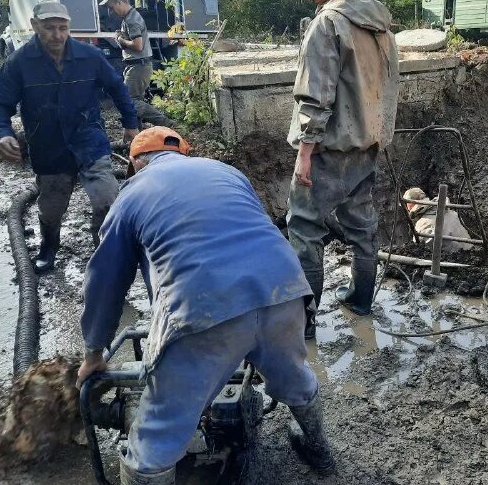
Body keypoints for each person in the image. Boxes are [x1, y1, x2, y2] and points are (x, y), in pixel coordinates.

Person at [76, 127, 335, 485]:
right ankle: (320, 452)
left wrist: (93, 352)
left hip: (204, 308)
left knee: (155, 438)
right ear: (184, 153)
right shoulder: (226, 172)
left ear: (136, 163)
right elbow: (244, 231)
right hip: (285, 289)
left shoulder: (132, 193)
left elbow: (105, 281)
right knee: (296, 379)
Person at [286, 0, 399, 338]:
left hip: (328, 150)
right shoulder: (380, 25)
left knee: (304, 229)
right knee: (363, 228)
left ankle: (304, 324)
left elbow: (316, 96)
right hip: (366, 146)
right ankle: (360, 301)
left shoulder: (327, 24)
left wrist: (305, 153)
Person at [0, 1, 139, 272]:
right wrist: (1, 134)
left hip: (88, 140)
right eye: (49, 28)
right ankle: (49, 246)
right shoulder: (19, 63)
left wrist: (130, 123)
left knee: (108, 198)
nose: (57, 35)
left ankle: (104, 255)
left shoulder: (88, 56)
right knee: (51, 208)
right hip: (48, 146)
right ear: (34, 26)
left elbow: (117, 88)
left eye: (62, 28)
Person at [98, 0, 175, 128]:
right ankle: (138, 131)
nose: (111, 12)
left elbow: (137, 46)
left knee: (129, 101)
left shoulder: (131, 20)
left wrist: (121, 40)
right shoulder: (129, 18)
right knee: (135, 100)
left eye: (112, 7)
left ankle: (167, 123)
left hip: (138, 66)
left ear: (120, 2)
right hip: (138, 65)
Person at [404, 187, 474, 251]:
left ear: (411, 203)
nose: (407, 208)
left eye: (407, 204)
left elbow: (419, 249)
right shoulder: (452, 213)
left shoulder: (423, 224)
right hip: (471, 253)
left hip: (454, 260)